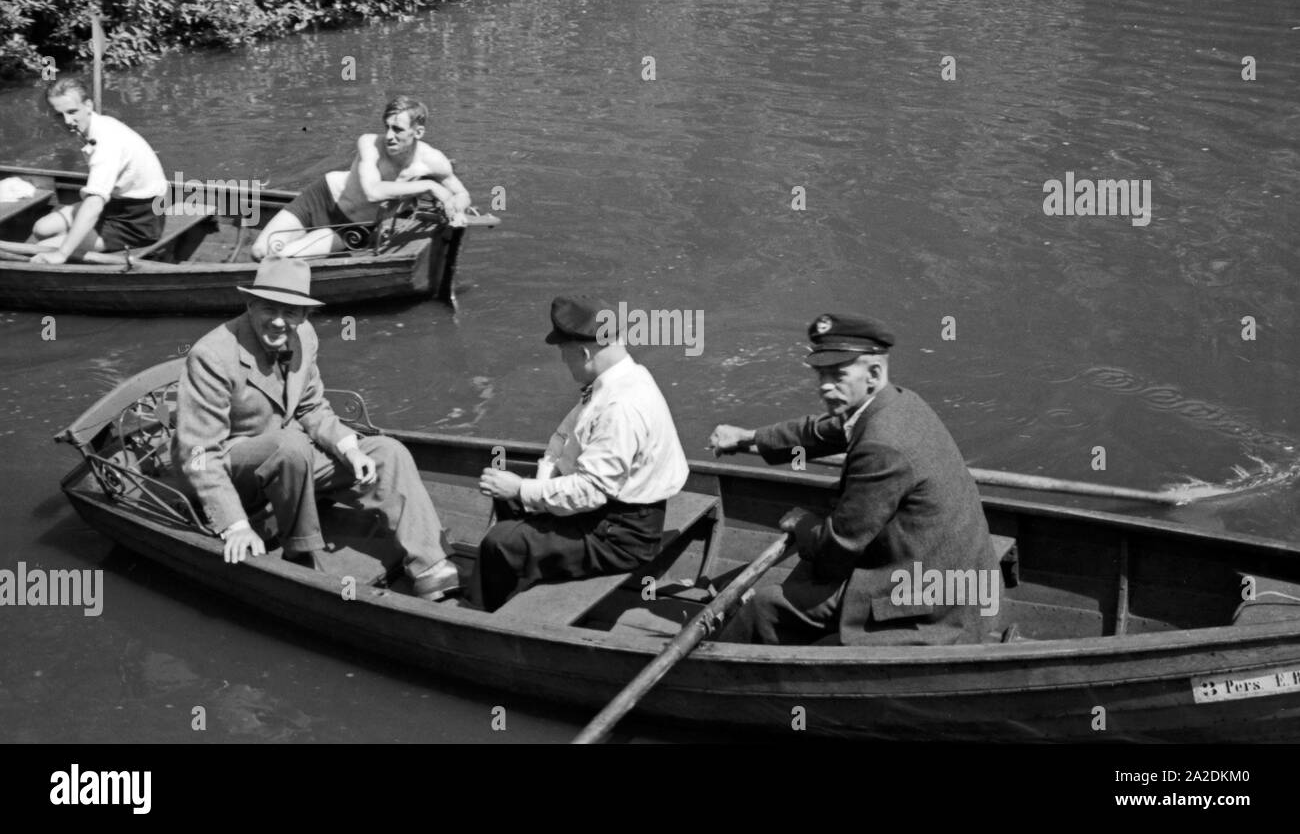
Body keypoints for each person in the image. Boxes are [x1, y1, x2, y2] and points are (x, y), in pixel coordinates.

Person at [172, 257, 460, 600]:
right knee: (290, 445)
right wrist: (234, 524)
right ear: (250, 305)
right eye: (269, 308)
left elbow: (311, 407)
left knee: (387, 451)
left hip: (292, 456)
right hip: (233, 466)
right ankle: (300, 554)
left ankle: (431, 565)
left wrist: (349, 448)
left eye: (291, 311)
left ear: (304, 316)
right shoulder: (212, 355)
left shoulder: (304, 337)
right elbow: (199, 453)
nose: (280, 321)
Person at [709, 313, 999, 645]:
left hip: (930, 602)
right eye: (821, 374)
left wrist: (802, 524)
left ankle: (713, 669)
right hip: (963, 577)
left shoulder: (881, 447)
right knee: (808, 571)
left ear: (873, 373)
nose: (825, 386)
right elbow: (824, 431)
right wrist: (750, 438)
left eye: (838, 375)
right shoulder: (899, 403)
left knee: (765, 607)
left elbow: (838, 549)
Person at [473, 295, 689, 611]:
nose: (563, 362)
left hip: (620, 536)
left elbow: (591, 490)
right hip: (608, 512)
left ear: (584, 352)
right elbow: (564, 436)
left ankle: (481, 617)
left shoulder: (620, 407)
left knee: (499, 543)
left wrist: (523, 488)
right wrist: (534, 488)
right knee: (508, 497)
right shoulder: (620, 378)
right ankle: (524, 575)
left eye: (564, 355)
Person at [251, 96, 471, 259]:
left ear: (418, 132)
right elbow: (372, 191)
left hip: (353, 227)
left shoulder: (433, 161)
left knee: (281, 256)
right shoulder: (368, 143)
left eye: (398, 130)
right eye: (387, 128)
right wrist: (431, 186)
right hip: (322, 198)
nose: (390, 136)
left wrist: (457, 209)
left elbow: (461, 193)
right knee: (260, 251)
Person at [29, 77, 168, 264]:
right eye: (58, 115)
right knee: (42, 229)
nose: (67, 121)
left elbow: (94, 203)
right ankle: (80, 245)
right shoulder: (94, 124)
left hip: (138, 220)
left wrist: (61, 254)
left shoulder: (106, 142)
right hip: (115, 204)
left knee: (41, 250)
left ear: (88, 105)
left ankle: (75, 256)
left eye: (72, 112)